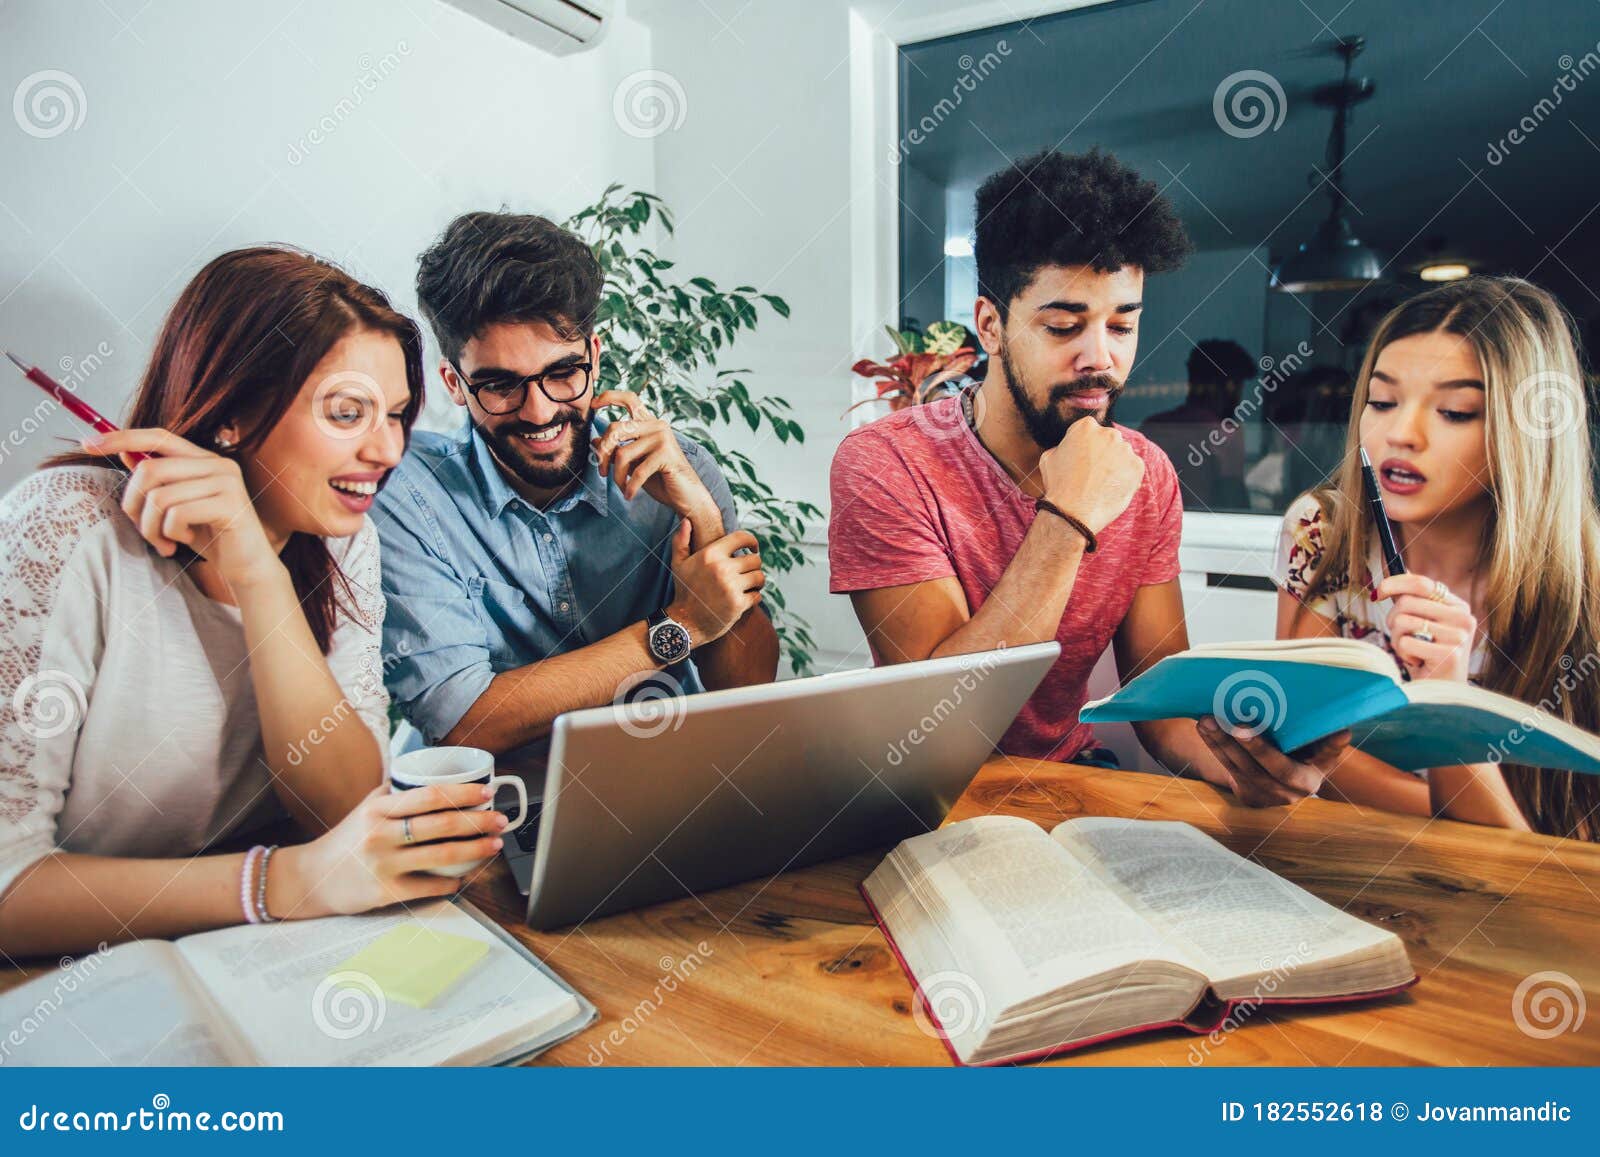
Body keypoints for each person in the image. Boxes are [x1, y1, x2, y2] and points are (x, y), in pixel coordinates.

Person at [0, 248, 504, 957]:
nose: (388, 449)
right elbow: (9, 885)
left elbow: (346, 809)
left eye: (395, 415)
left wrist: (260, 576)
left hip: (245, 953)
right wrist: (282, 883)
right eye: (348, 412)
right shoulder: (64, 528)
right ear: (235, 409)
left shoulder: (339, 540)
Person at [829, 148, 1348, 806]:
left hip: (1072, 780)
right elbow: (945, 725)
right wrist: (1069, 514)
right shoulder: (886, 462)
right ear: (991, 324)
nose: (1100, 358)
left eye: (1123, 324)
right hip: (928, 797)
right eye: (1064, 325)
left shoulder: (1146, 474)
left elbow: (1161, 710)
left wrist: (1241, 766)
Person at [374, 212, 777, 770]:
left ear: (594, 354)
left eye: (563, 373)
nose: (539, 412)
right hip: (495, 817)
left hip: (667, 792)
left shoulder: (683, 474)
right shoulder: (408, 491)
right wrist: (683, 626)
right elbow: (462, 721)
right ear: (454, 384)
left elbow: (749, 692)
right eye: (498, 385)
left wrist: (707, 524)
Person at [1257, 276, 1599, 839]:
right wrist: (1442, 809)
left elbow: (1548, 865)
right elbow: (1301, 743)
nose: (1400, 433)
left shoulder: (1583, 593)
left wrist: (1448, 699)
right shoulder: (1324, 531)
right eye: (1383, 401)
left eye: (1456, 411)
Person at [1140, 338, 1254, 510]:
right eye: (1239, 386)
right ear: (1230, 386)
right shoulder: (1225, 434)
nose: (1239, 397)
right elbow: (1234, 505)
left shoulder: (1151, 428)